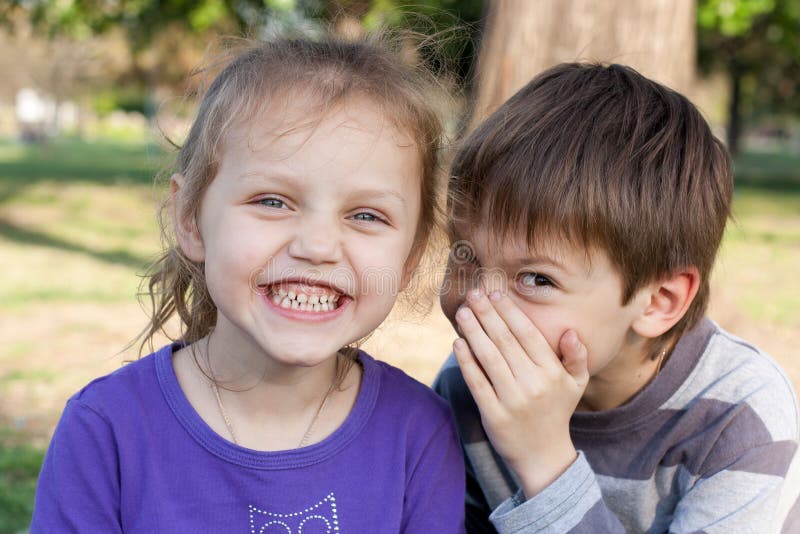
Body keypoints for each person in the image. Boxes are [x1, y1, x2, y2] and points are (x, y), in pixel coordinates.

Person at [32, 36, 466, 533]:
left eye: (366, 215)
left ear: (411, 256)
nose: (317, 246)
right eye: (272, 201)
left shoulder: (420, 437)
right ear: (191, 218)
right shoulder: (106, 430)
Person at [433, 63, 800, 533]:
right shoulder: (469, 388)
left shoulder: (738, 419)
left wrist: (545, 462)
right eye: (465, 256)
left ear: (658, 301)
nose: (477, 303)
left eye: (537, 279)